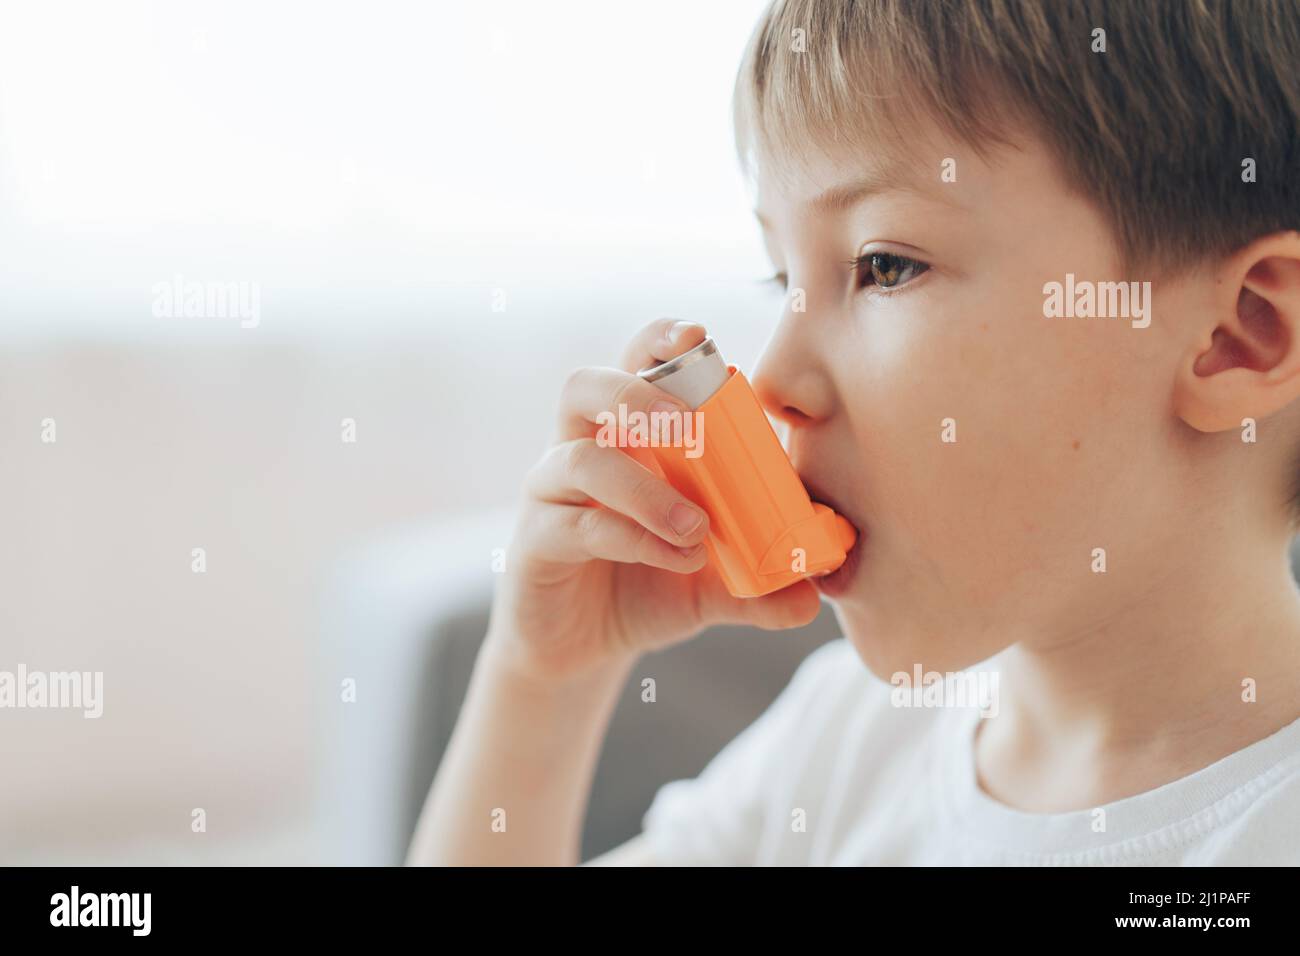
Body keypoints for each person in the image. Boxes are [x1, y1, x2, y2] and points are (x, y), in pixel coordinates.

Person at [408, 0, 1300, 865]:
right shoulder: (838, 751)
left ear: (1242, 336)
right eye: (778, 278)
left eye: (884, 266)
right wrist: (545, 680)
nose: (771, 382)